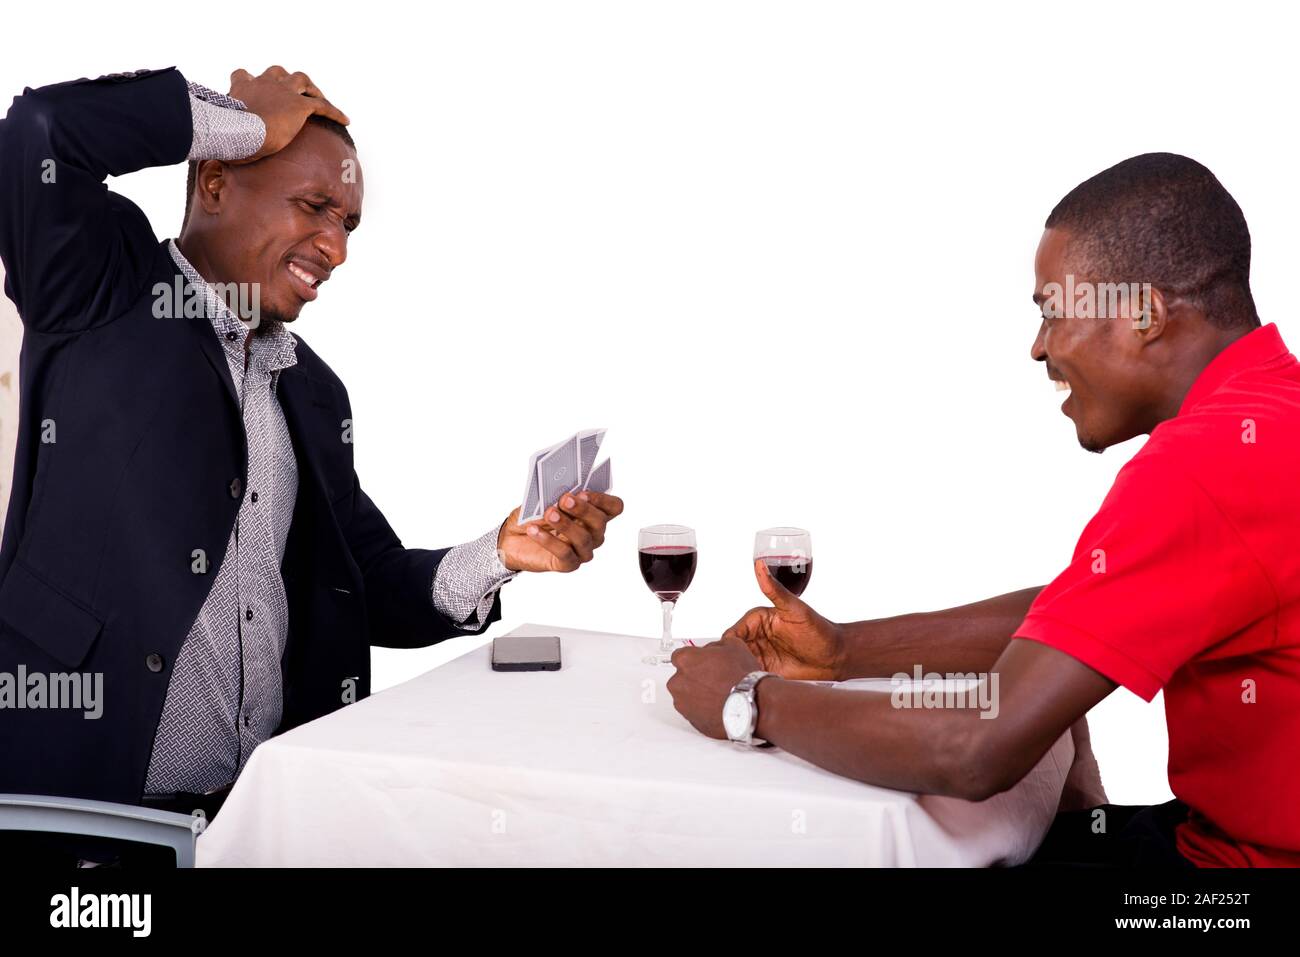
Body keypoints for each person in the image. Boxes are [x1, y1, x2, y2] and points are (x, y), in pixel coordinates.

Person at [0, 65, 623, 835]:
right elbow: (39, 134)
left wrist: (501, 552)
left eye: (350, 224)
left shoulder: (314, 392)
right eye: (315, 207)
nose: (335, 246)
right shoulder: (101, 284)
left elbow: (367, 582)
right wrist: (242, 122)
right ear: (217, 181)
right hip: (80, 809)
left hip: (260, 818)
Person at [668, 152, 1300, 868]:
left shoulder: (1204, 464)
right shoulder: (1272, 410)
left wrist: (748, 700)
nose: (1038, 348)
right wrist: (844, 649)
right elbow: (1088, 605)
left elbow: (971, 748)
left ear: (1145, 314)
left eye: (1052, 313)